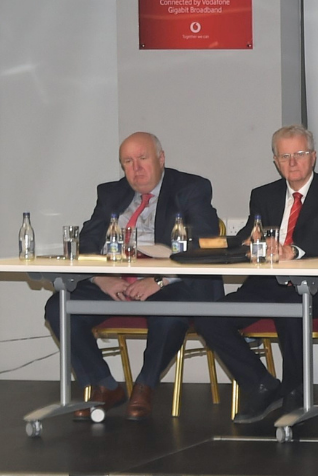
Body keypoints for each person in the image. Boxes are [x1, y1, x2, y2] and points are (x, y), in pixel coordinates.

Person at [45, 132, 222, 421]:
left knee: (169, 308)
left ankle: (145, 386)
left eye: (142, 159)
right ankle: (104, 384)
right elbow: (88, 244)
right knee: (59, 306)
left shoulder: (191, 188)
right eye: (127, 162)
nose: (136, 169)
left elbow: (203, 243)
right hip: (115, 282)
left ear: (161, 159)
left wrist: (159, 280)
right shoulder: (110, 193)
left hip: (169, 283)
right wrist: (102, 279)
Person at [193, 125, 318, 424]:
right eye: (284, 156)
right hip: (266, 286)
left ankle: (296, 391)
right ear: (275, 161)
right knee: (208, 316)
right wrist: (246, 243)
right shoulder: (263, 194)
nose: (292, 162)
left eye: (299, 154)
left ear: (314, 157)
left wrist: (293, 250)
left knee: (291, 305)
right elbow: (248, 234)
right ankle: (262, 385)